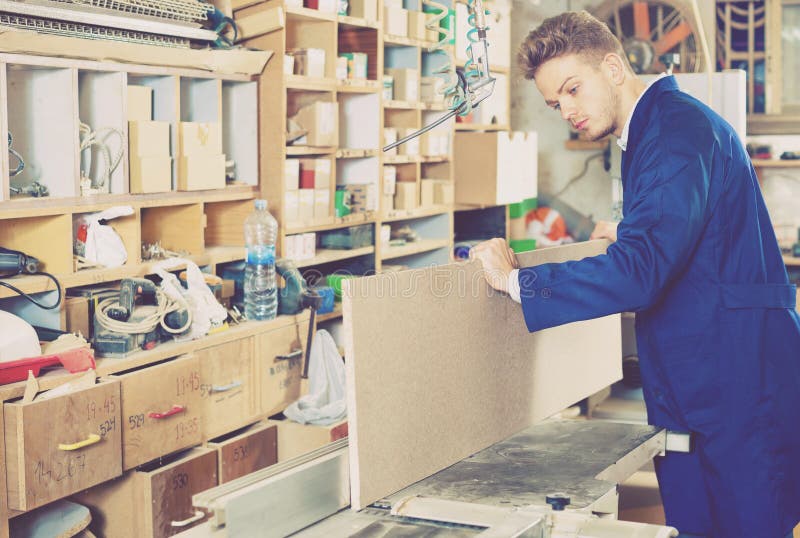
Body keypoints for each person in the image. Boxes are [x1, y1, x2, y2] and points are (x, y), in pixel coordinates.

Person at [472, 10, 800, 538]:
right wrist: (627, 232)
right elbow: (682, 239)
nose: (568, 112)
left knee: (746, 525)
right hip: (703, 370)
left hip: (737, 375)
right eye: (556, 104)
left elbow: (642, 271)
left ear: (614, 67)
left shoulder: (674, 131)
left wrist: (515, 281)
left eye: (574, 90)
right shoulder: (654, 131)